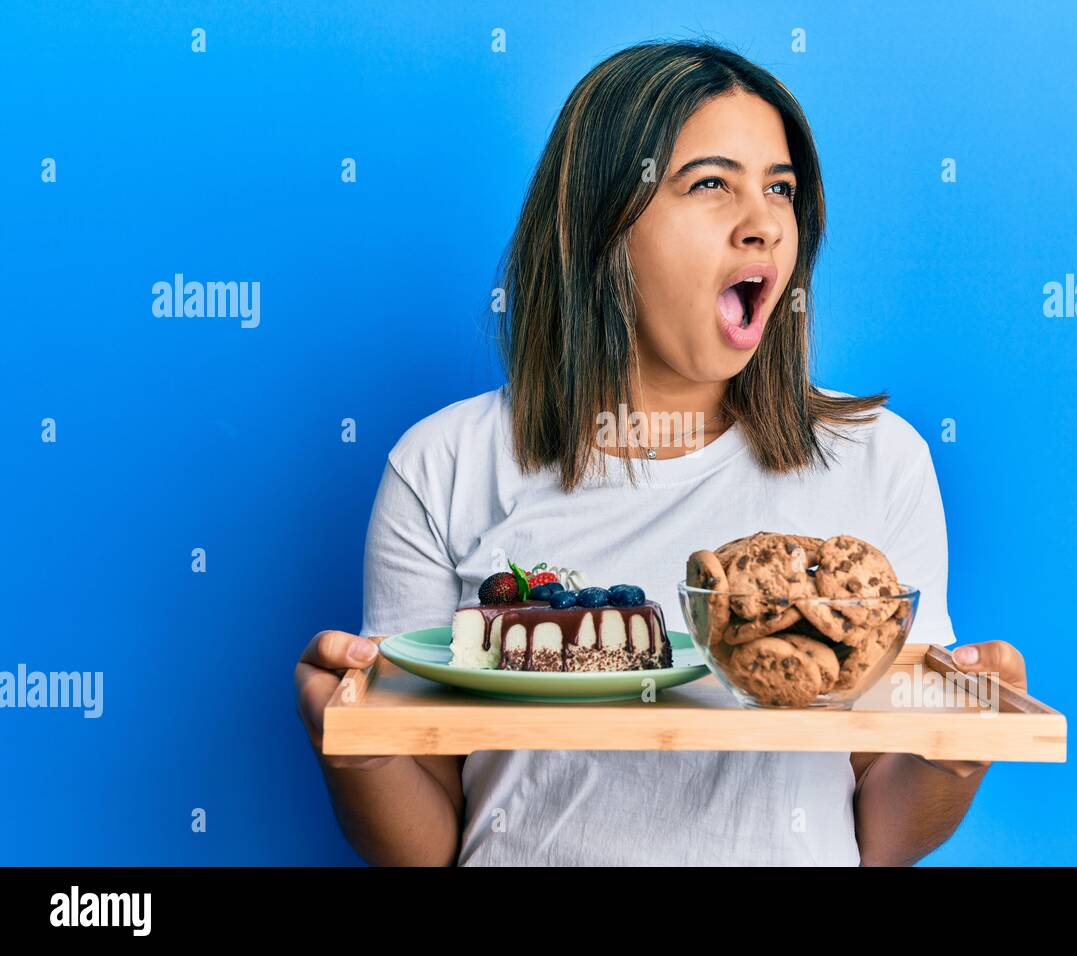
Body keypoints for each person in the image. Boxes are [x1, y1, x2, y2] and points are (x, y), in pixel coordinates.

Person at [294, 38, 1028, 866]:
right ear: (603, 224)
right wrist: (360, 749)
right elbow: (418, 852)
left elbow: (884, 834)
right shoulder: (443, 466)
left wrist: (960, 750)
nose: (764, 224)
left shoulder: (876, 463)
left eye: (780, 189)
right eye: (710, 183)